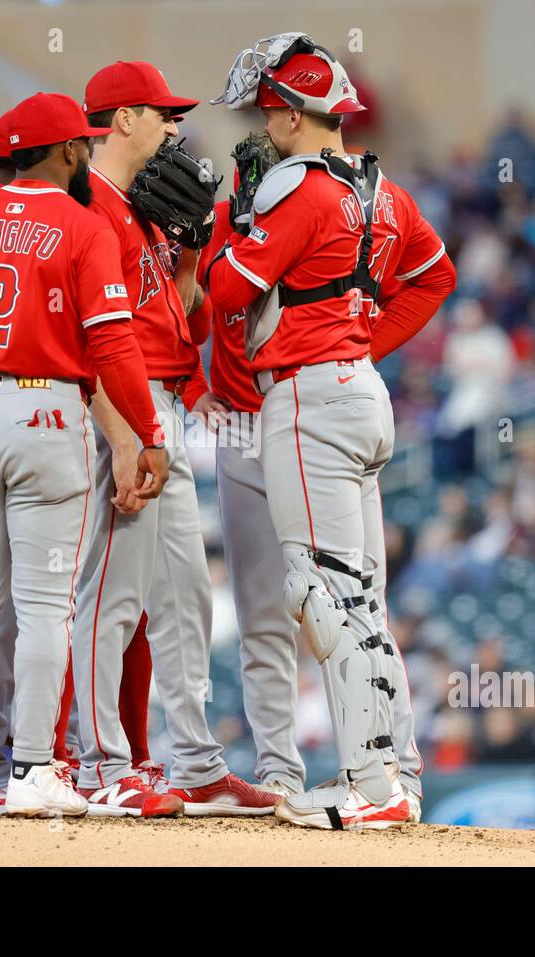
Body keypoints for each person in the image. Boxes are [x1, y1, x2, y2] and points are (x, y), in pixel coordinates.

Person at [0, 91, 172, 819]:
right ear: (67, 152)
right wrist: (145, 432)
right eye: (78, 144)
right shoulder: (82, 227)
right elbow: (113, 343)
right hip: (47, 411)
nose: (84, 151)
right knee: (46, 606)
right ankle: (31, 772)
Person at [207, 33, 455, 828]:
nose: (262, 120)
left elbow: (222, 293)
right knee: (364, 596)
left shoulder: (298, 189)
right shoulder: (380, 190)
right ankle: (398, 775)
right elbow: (435, 273)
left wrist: (229, 225)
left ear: (288, 114)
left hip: (309, 402)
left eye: (268, 106)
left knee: (323, 593)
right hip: (359, 393)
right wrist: (360, 345)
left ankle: (367, 787)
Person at [69, 61, 277, 817]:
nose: (173, 127)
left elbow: (176, 319)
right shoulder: (85, 205)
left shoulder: (150, 209)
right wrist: (124, 434)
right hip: (117, 411)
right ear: (122, 119)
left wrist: (189, 251)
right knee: (113, 591)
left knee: (188, 593)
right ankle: (100, 766)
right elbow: (91, 340)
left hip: (163, 407)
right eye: (160, 114)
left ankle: (195, 763)